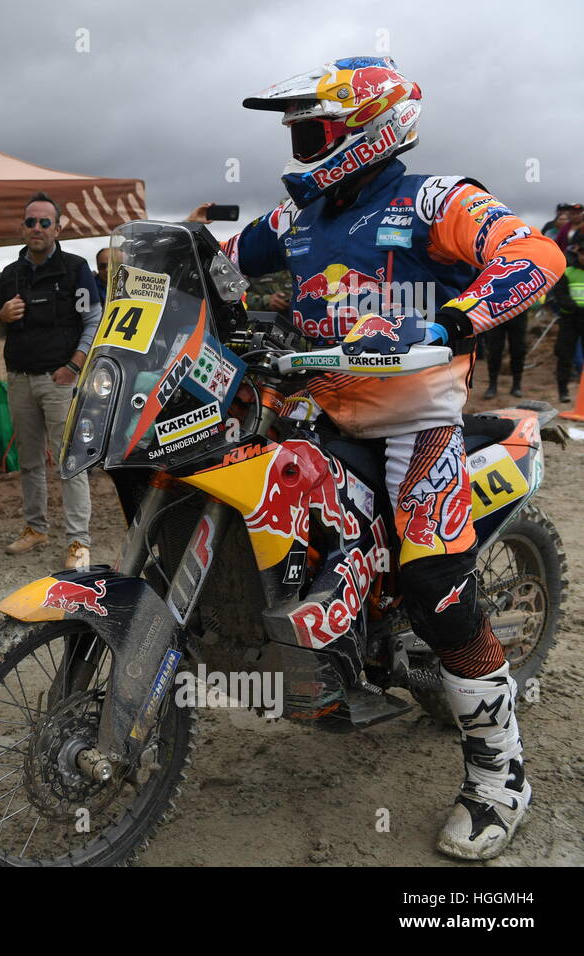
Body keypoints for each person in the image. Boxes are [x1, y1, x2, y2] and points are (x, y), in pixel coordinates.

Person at [197, 56, 564, 860]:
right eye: (298, 130)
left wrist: (457, 320)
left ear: (365, 129)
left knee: (436, 592)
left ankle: (501, 773)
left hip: (417, 424)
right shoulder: (302, 218)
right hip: (321, 409)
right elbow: (220, 259)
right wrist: (165, 251)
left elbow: (535, 255)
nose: (300, 143)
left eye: (312, 129)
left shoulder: (434, 198)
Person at [0, 192, 102, 569]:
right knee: (29, 461)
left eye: (44, 222)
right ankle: (35, 528)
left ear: (58, 227)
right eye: (30, 222)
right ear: (22, 228)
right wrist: (2, 317)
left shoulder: (75, 268)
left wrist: (74, 366)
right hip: (19, 379)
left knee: (71, 461)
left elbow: (94, 322)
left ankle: (78, 542)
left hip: (60, 380)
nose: (36, 228)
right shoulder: (10, 274)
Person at [551, 234, 584, 404]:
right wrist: (576, 309)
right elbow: (560, 294)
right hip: (570, 319)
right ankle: (563, 391)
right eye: (582, 253)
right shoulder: (568, 272)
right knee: (565, 356)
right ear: (578, 254)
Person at [480, 313, 527, 398]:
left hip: (518, 313)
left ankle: (517, 385)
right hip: (496, 314)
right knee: (494, 350)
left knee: (518, 349)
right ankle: (492, 385)